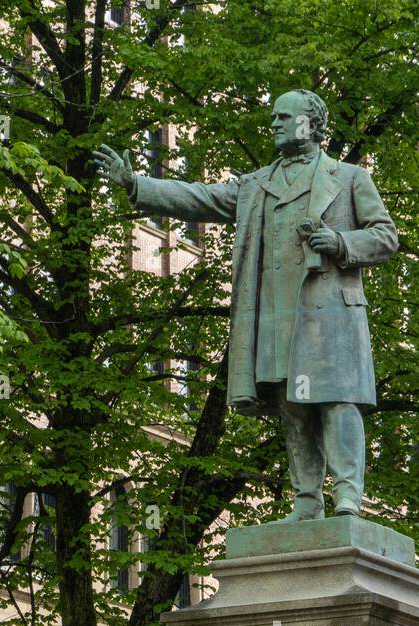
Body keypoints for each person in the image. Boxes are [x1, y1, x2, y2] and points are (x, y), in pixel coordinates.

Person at [93, 90, 398, 520]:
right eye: (273, 117)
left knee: (337, 401)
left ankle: (348, 495)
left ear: (309, 124)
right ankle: (307, 501)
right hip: (276, 313)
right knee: (294, 408)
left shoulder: (349, 178)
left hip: (329, 312)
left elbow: (385, 236)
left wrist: (342, 242)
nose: (273, 123)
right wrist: (136, 185)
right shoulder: (257, 185)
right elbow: (199, 198)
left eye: (283, 117)